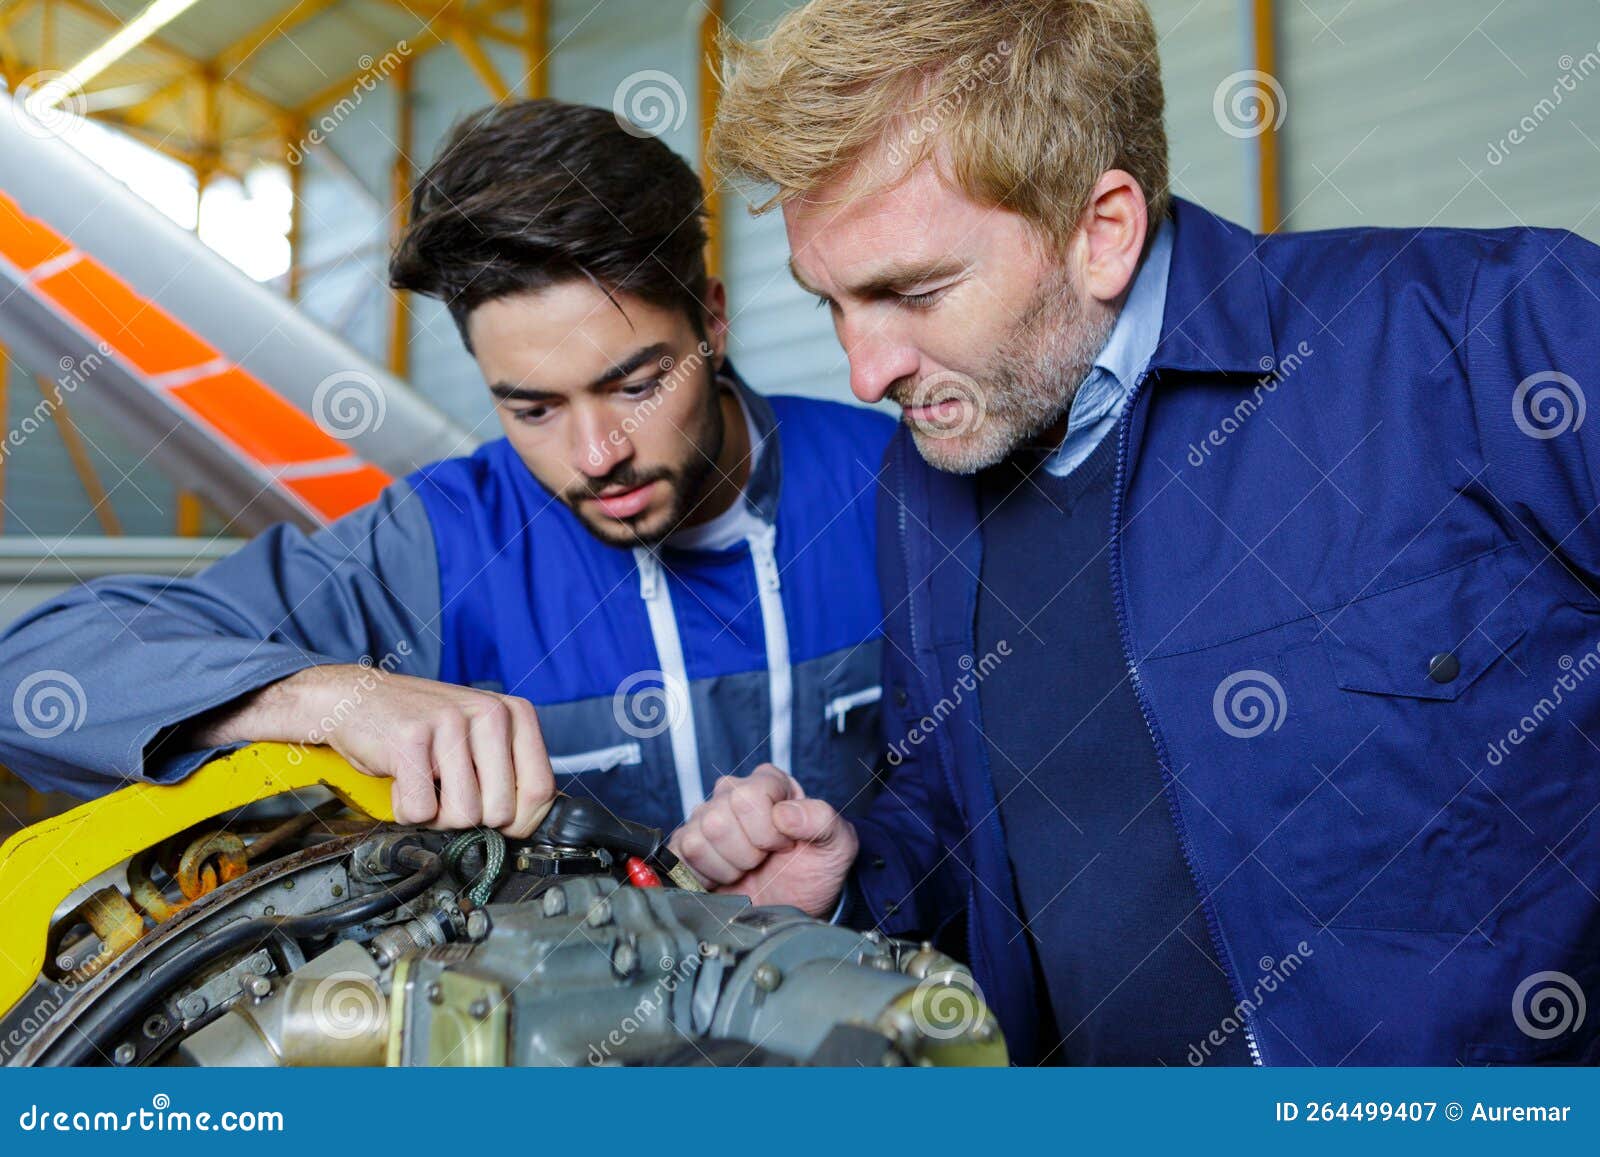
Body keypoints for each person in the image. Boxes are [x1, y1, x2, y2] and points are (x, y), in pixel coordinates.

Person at [669, 0, 1600, 1066]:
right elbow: (955, 797)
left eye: (911, 292)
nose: (863, 371)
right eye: (828, 302)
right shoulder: (922, 477)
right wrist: (852, 874)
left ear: (1100, 229)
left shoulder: (1489, 333)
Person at [0, 99, 893, 839]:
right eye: (531, 408)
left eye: (637, 384)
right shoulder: (438, 544)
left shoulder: (892, 491)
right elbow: (38, 676)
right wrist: (332, 697)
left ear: (714, 322)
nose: (596, 456)